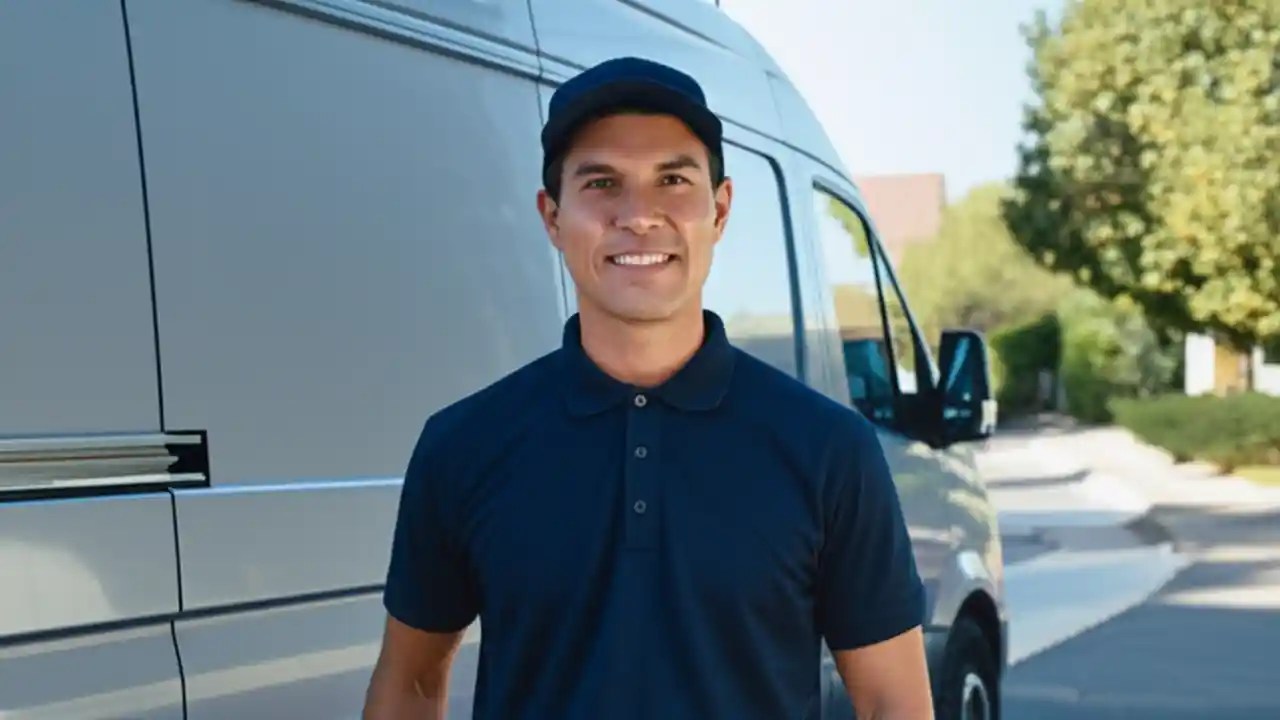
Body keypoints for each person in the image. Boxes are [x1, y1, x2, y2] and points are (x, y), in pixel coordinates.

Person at [362, 56, 933, 720]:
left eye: (673, 180)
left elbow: (893, 701)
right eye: (602, 182)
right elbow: (410, 682)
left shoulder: (830, 449)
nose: (639, 215)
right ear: (552, 217)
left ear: (720, 210)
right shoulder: (463, 446)